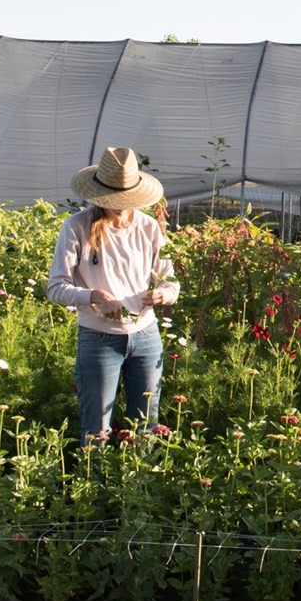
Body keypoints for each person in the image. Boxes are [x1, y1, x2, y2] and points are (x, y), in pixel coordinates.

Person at [47, 146, 179, 445]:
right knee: (97, 431)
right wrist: (94, 296)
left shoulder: (148, 227)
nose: (121, 206)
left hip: (146, 336)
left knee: (146, 425)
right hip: (99, 339)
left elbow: (171, 281)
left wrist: (163, 294)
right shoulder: (77, 227)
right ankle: (92, 488)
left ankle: (138, 488)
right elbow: (55, 288)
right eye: (114, 199)